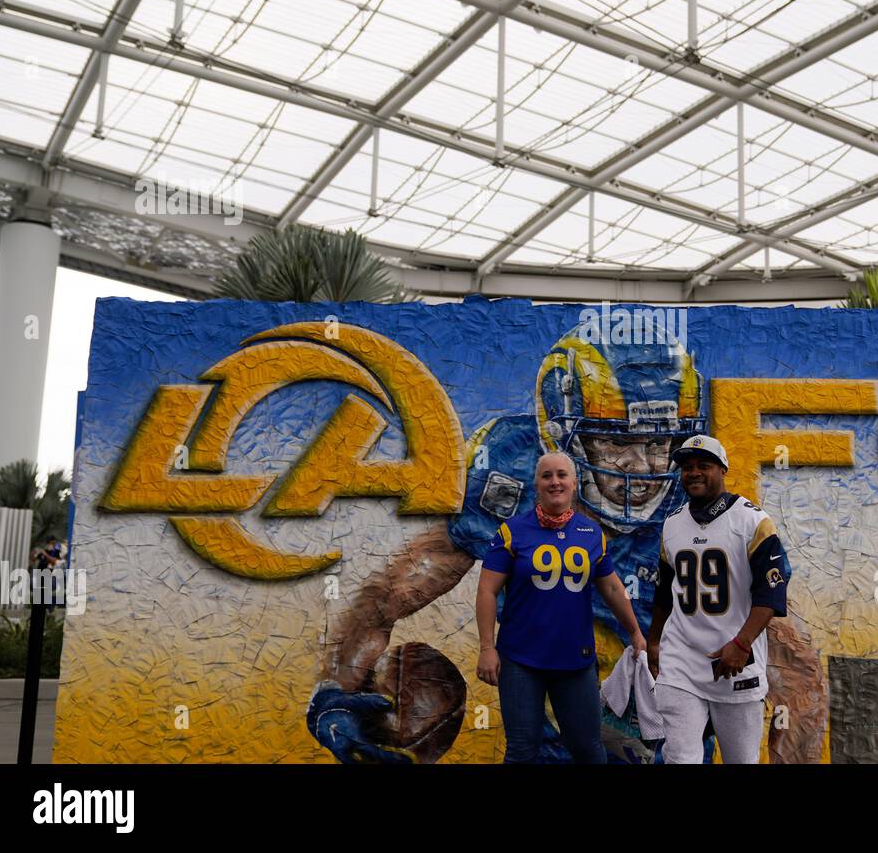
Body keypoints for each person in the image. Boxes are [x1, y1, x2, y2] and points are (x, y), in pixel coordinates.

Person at [307, 322, 825, 764]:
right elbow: (391, 593)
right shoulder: (511, 479)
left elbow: (796, 671)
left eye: (657, 443)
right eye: (616, 443)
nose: (643, 468)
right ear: (560, 437)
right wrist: (333, 692)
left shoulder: (698, 510)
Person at [475, 451, 646, 763]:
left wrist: (635, 632)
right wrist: (487, 647)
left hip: (575, 660)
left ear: (574, 483)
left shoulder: (592, 532)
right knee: (522, 750)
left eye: (562, 475)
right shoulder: (512, 532)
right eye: (547, 476)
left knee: (589, 750)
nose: (555, 482)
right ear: (537, 484)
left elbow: (610, 587)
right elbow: (487, 590)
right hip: (521, 660)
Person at [648, 435, 792, 764]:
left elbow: (770, 594)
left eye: (704, 465)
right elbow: (664, 591)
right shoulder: (672, 524)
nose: (694, 473)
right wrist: (653, 641)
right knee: (680, 757)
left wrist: (741, 645)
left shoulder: (753, 522)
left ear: (723, 469)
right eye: (687, 467)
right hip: (681, 660)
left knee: (740, 759)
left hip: (735, 660)